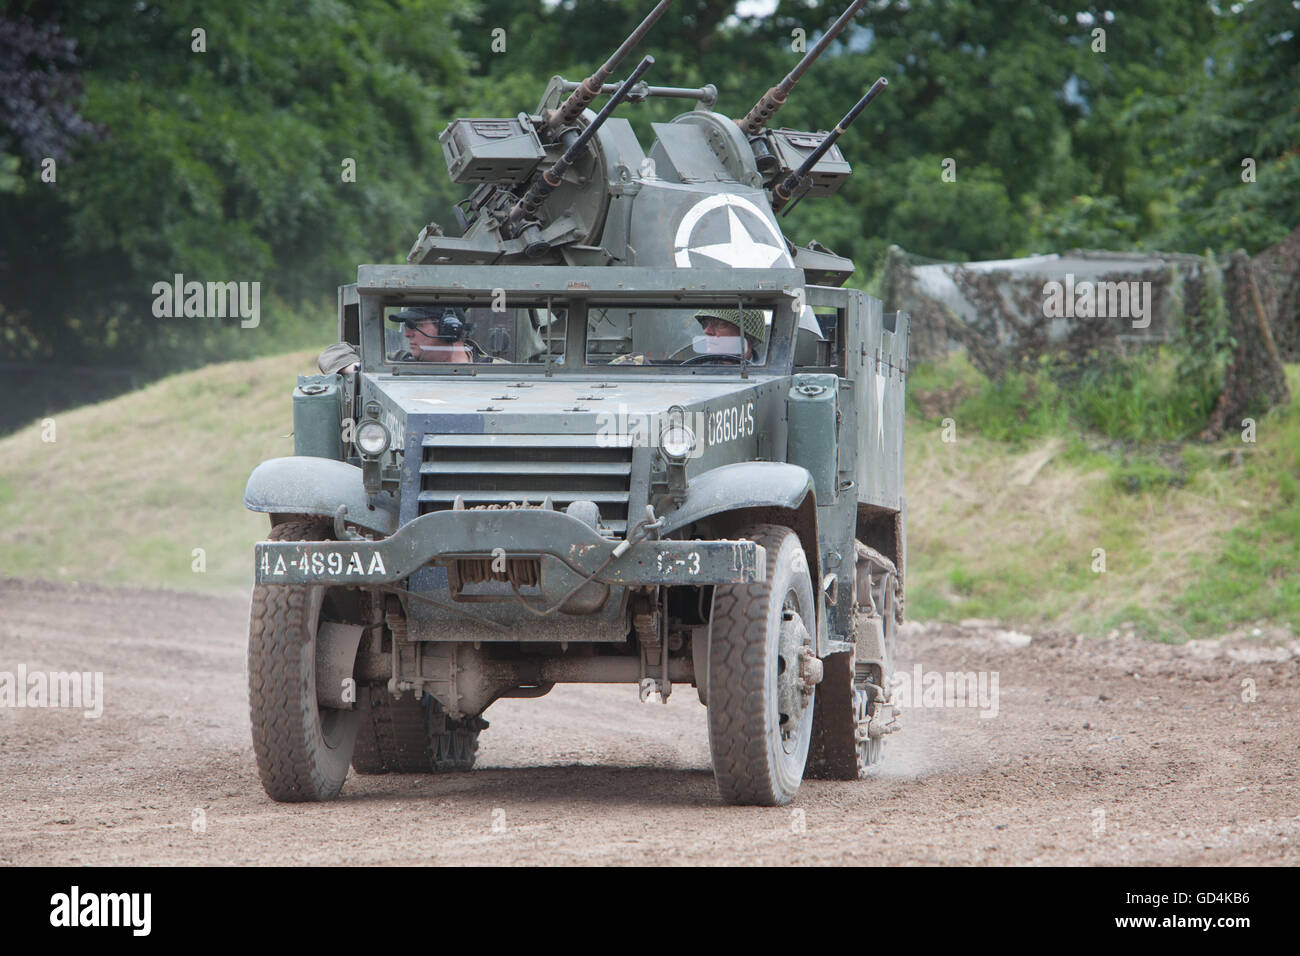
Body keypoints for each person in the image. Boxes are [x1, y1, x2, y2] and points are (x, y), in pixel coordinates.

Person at [608, 307, 767, 365]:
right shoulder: (697, 371)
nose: (707, 331)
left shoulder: (766, 375)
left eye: (719, 324)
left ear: (747, 335)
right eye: (706, 323)